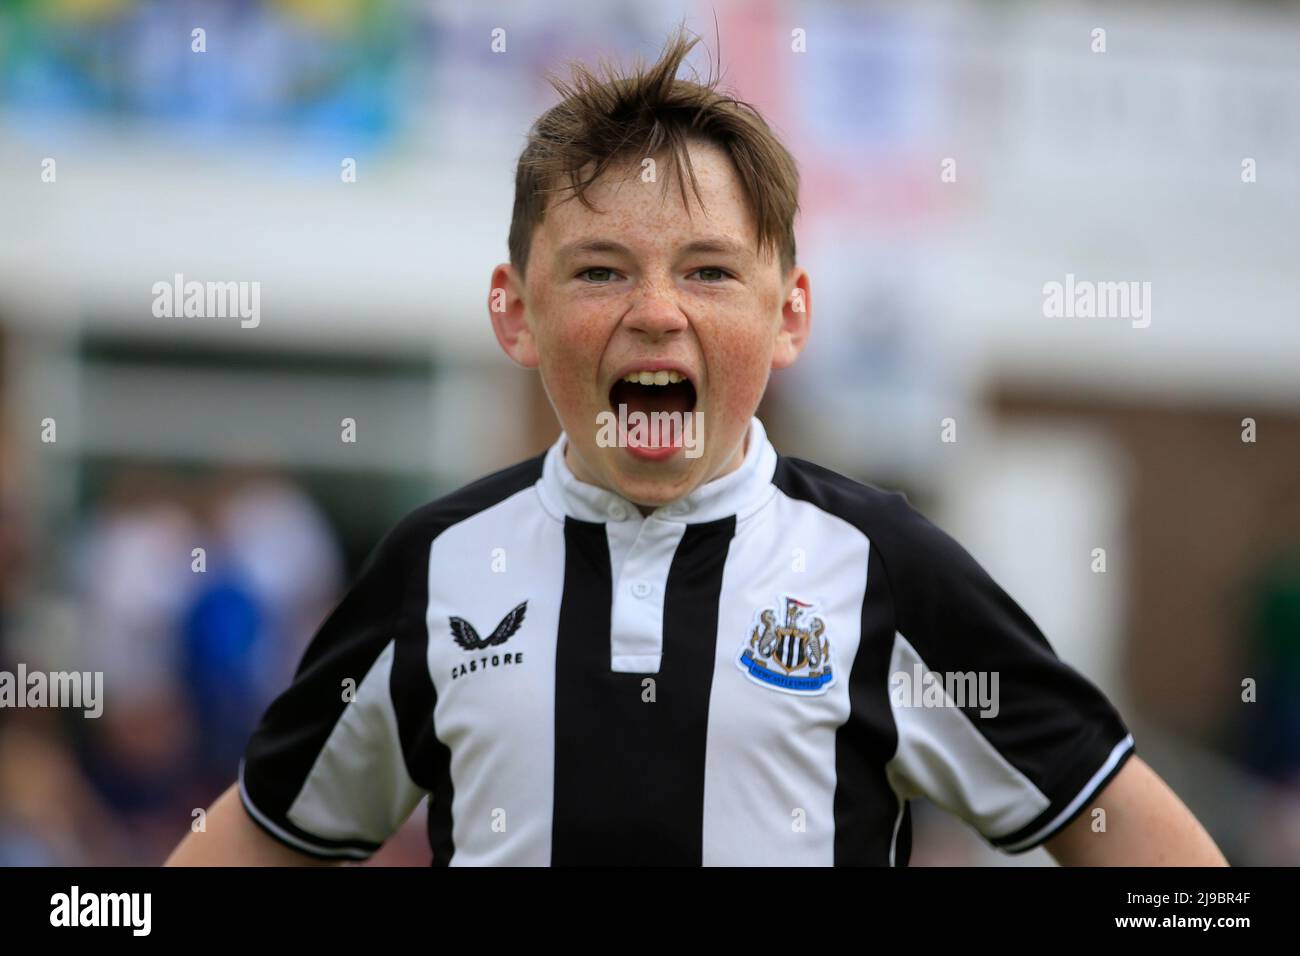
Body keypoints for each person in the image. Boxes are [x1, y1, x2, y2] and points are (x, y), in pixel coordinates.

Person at [168, 28, 1224, 867]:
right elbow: (266, 831)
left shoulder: (886, 572)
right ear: (514, 313)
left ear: (790, 315)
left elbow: (1122, 823)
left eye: (711, 271)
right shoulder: (438, 565)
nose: (656, 311)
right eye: (598, 271)